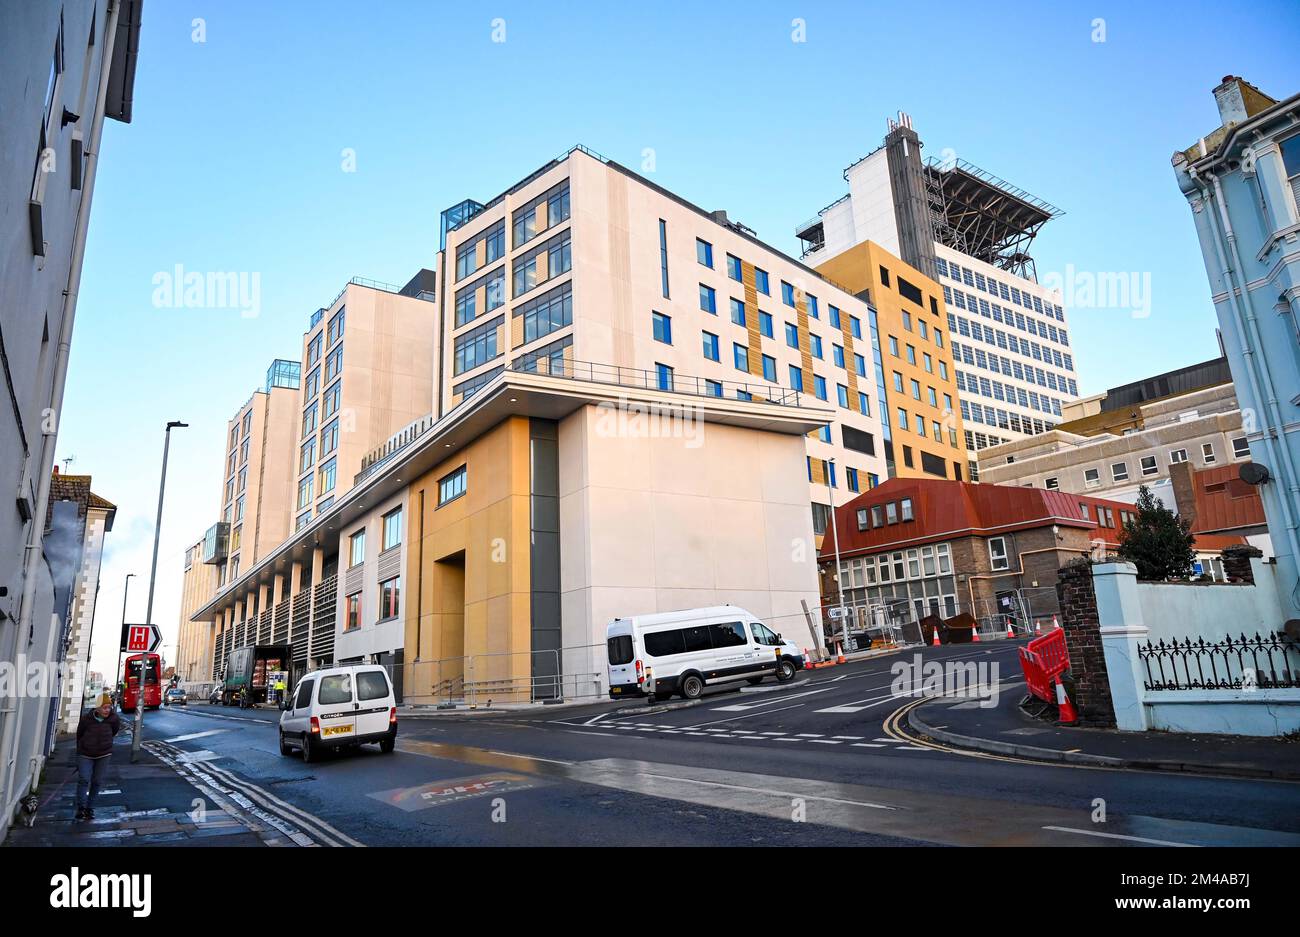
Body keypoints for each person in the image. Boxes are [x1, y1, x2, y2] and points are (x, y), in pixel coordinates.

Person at [74, 692, 121, 820]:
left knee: (97, 782)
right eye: (104, 707)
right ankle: (81, 808)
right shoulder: (86, 719)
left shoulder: (113, 719)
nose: (107, 710)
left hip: (104, 754)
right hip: (85, 754)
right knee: (83, 779)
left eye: (109, 707)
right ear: (97, 707)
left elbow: (115, 731)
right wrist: (79, 752)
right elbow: (79, 735)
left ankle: (90, 808)